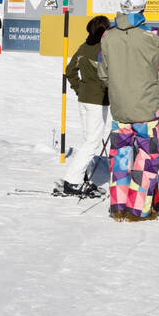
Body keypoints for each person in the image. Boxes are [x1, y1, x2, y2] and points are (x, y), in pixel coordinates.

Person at [96, 0, 159, 221]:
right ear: (142, 9)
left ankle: (118, 206)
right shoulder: (152, 35)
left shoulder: (107, 37)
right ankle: (138, 208)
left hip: (120, 110)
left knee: (119, 157)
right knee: (148, 157)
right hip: (146, 111)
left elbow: (103, 73)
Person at [60, 15, 112, 196]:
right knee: (92, 142)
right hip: (97, 101)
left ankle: (81, 177)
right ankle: (72, 181)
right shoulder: (104, 49)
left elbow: (69, 70)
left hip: (84, 99)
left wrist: (79, 88)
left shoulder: (84, 47)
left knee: (88, 140)